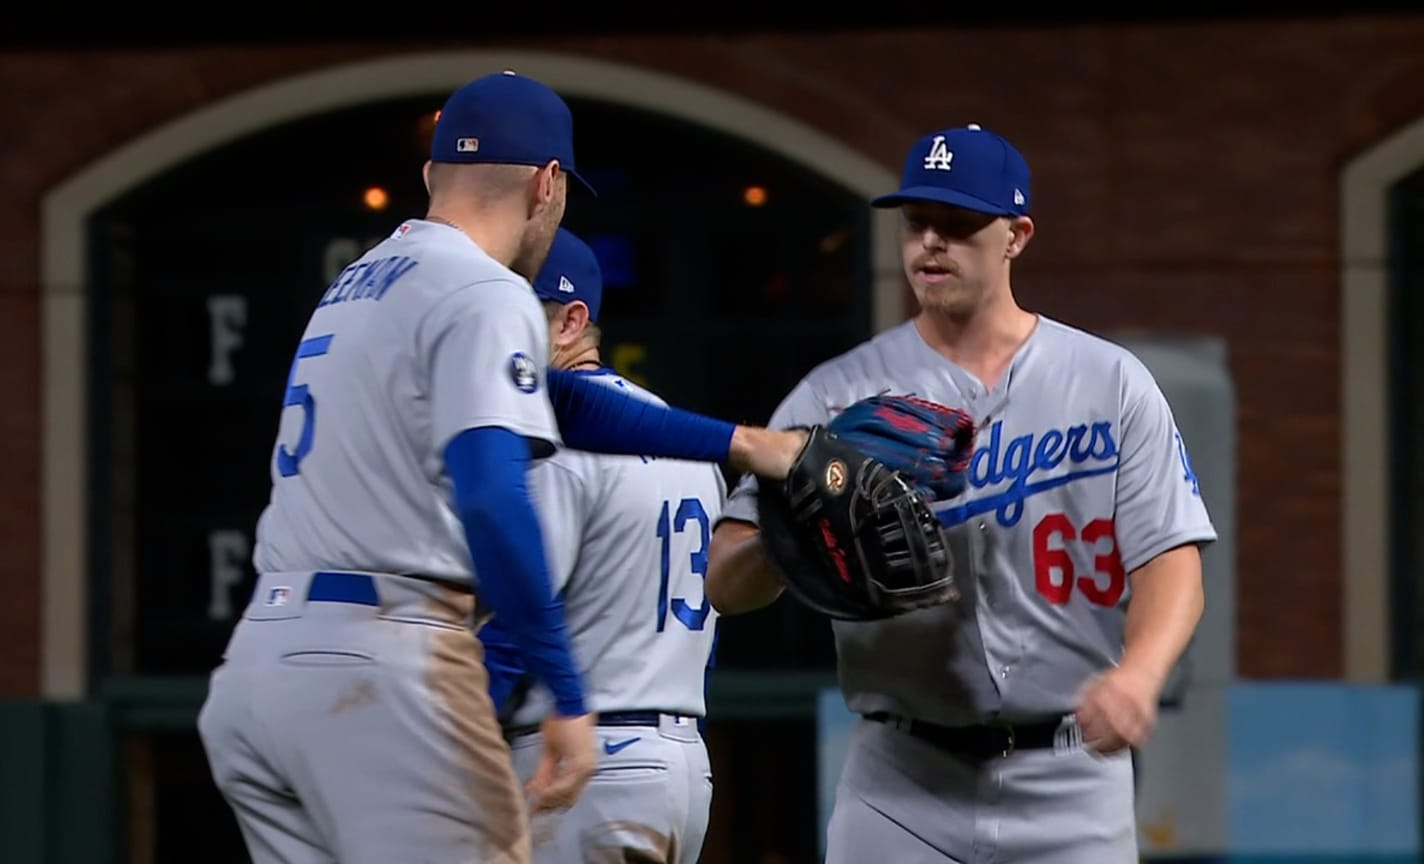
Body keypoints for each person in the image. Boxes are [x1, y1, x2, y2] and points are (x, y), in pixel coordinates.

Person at [195, 70, 806, 864]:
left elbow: (559, 402)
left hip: (261, 670)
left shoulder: (360, 284)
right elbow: (492, 497)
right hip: (384, 660)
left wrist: (745, 444)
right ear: (549, 183)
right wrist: (566, 691)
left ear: (429, 175)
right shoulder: (488, 289)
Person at [704, 123, 1217, 863]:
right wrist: (798, 519)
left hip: (1072, 777)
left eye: (959, 224)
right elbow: (726, 582)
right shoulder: (837, 395)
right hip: (900, 780)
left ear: (1017, 235)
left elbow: (1172, 558)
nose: (931, 244)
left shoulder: (1108, 381)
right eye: (918, 224)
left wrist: (1139, 675)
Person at [480, 227, 723, 864]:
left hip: (580, 767)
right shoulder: (686, 439)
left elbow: (517, 613)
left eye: (512, 311)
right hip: (681, 765)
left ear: (570, 324)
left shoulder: (553, 441)